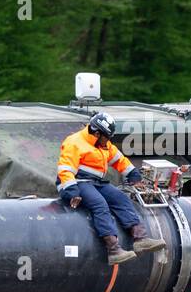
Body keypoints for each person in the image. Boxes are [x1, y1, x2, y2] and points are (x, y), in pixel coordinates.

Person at [57, 112, 166, 265]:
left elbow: (119, 160)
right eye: (106, 137)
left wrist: (134, 176)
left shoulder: (103, 144)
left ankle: (140, 239)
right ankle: (114, 249)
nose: (108, 141)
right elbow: (65, 170)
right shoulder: (74, 142)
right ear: (96, 133)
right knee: (99, 204)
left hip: (95, 182)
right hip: (75, 183)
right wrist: (72, 192)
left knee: (121, 199)